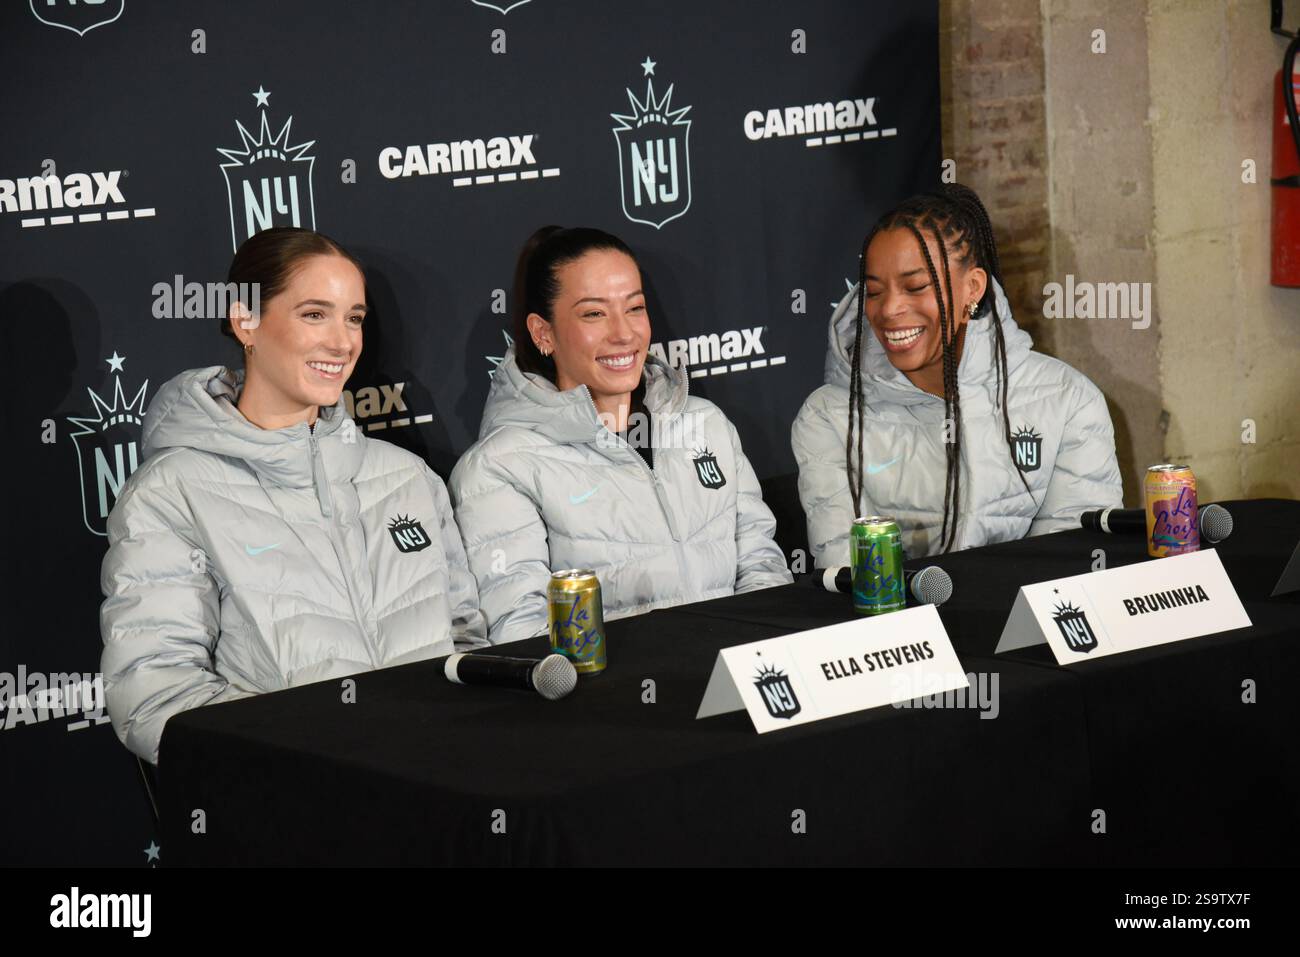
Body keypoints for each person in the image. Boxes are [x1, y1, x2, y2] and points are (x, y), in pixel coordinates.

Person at [100, 227, 486, 765]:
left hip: (447, 795)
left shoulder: (409, 479)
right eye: (313, 314)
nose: (342, 341)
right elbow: (156, 697)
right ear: (246, 321)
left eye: (353, 318)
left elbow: (467, 645)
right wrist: (306, 768)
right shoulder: (170, 495)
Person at [450, 226, 792, 644]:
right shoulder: (498, 469)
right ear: (543, 333)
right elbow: (525, 635)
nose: (624, 333)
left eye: (634, 308)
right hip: (615, 704)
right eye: (594, 313)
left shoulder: (707, 426)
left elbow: (763, 569)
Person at [793, 184, 1122, 566]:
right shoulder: (827, 416)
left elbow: (1077, 559)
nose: (890, 310)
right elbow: (849, 569)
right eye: (874, 292)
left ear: (973, 289)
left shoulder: (1068, 398)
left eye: (916, 286)